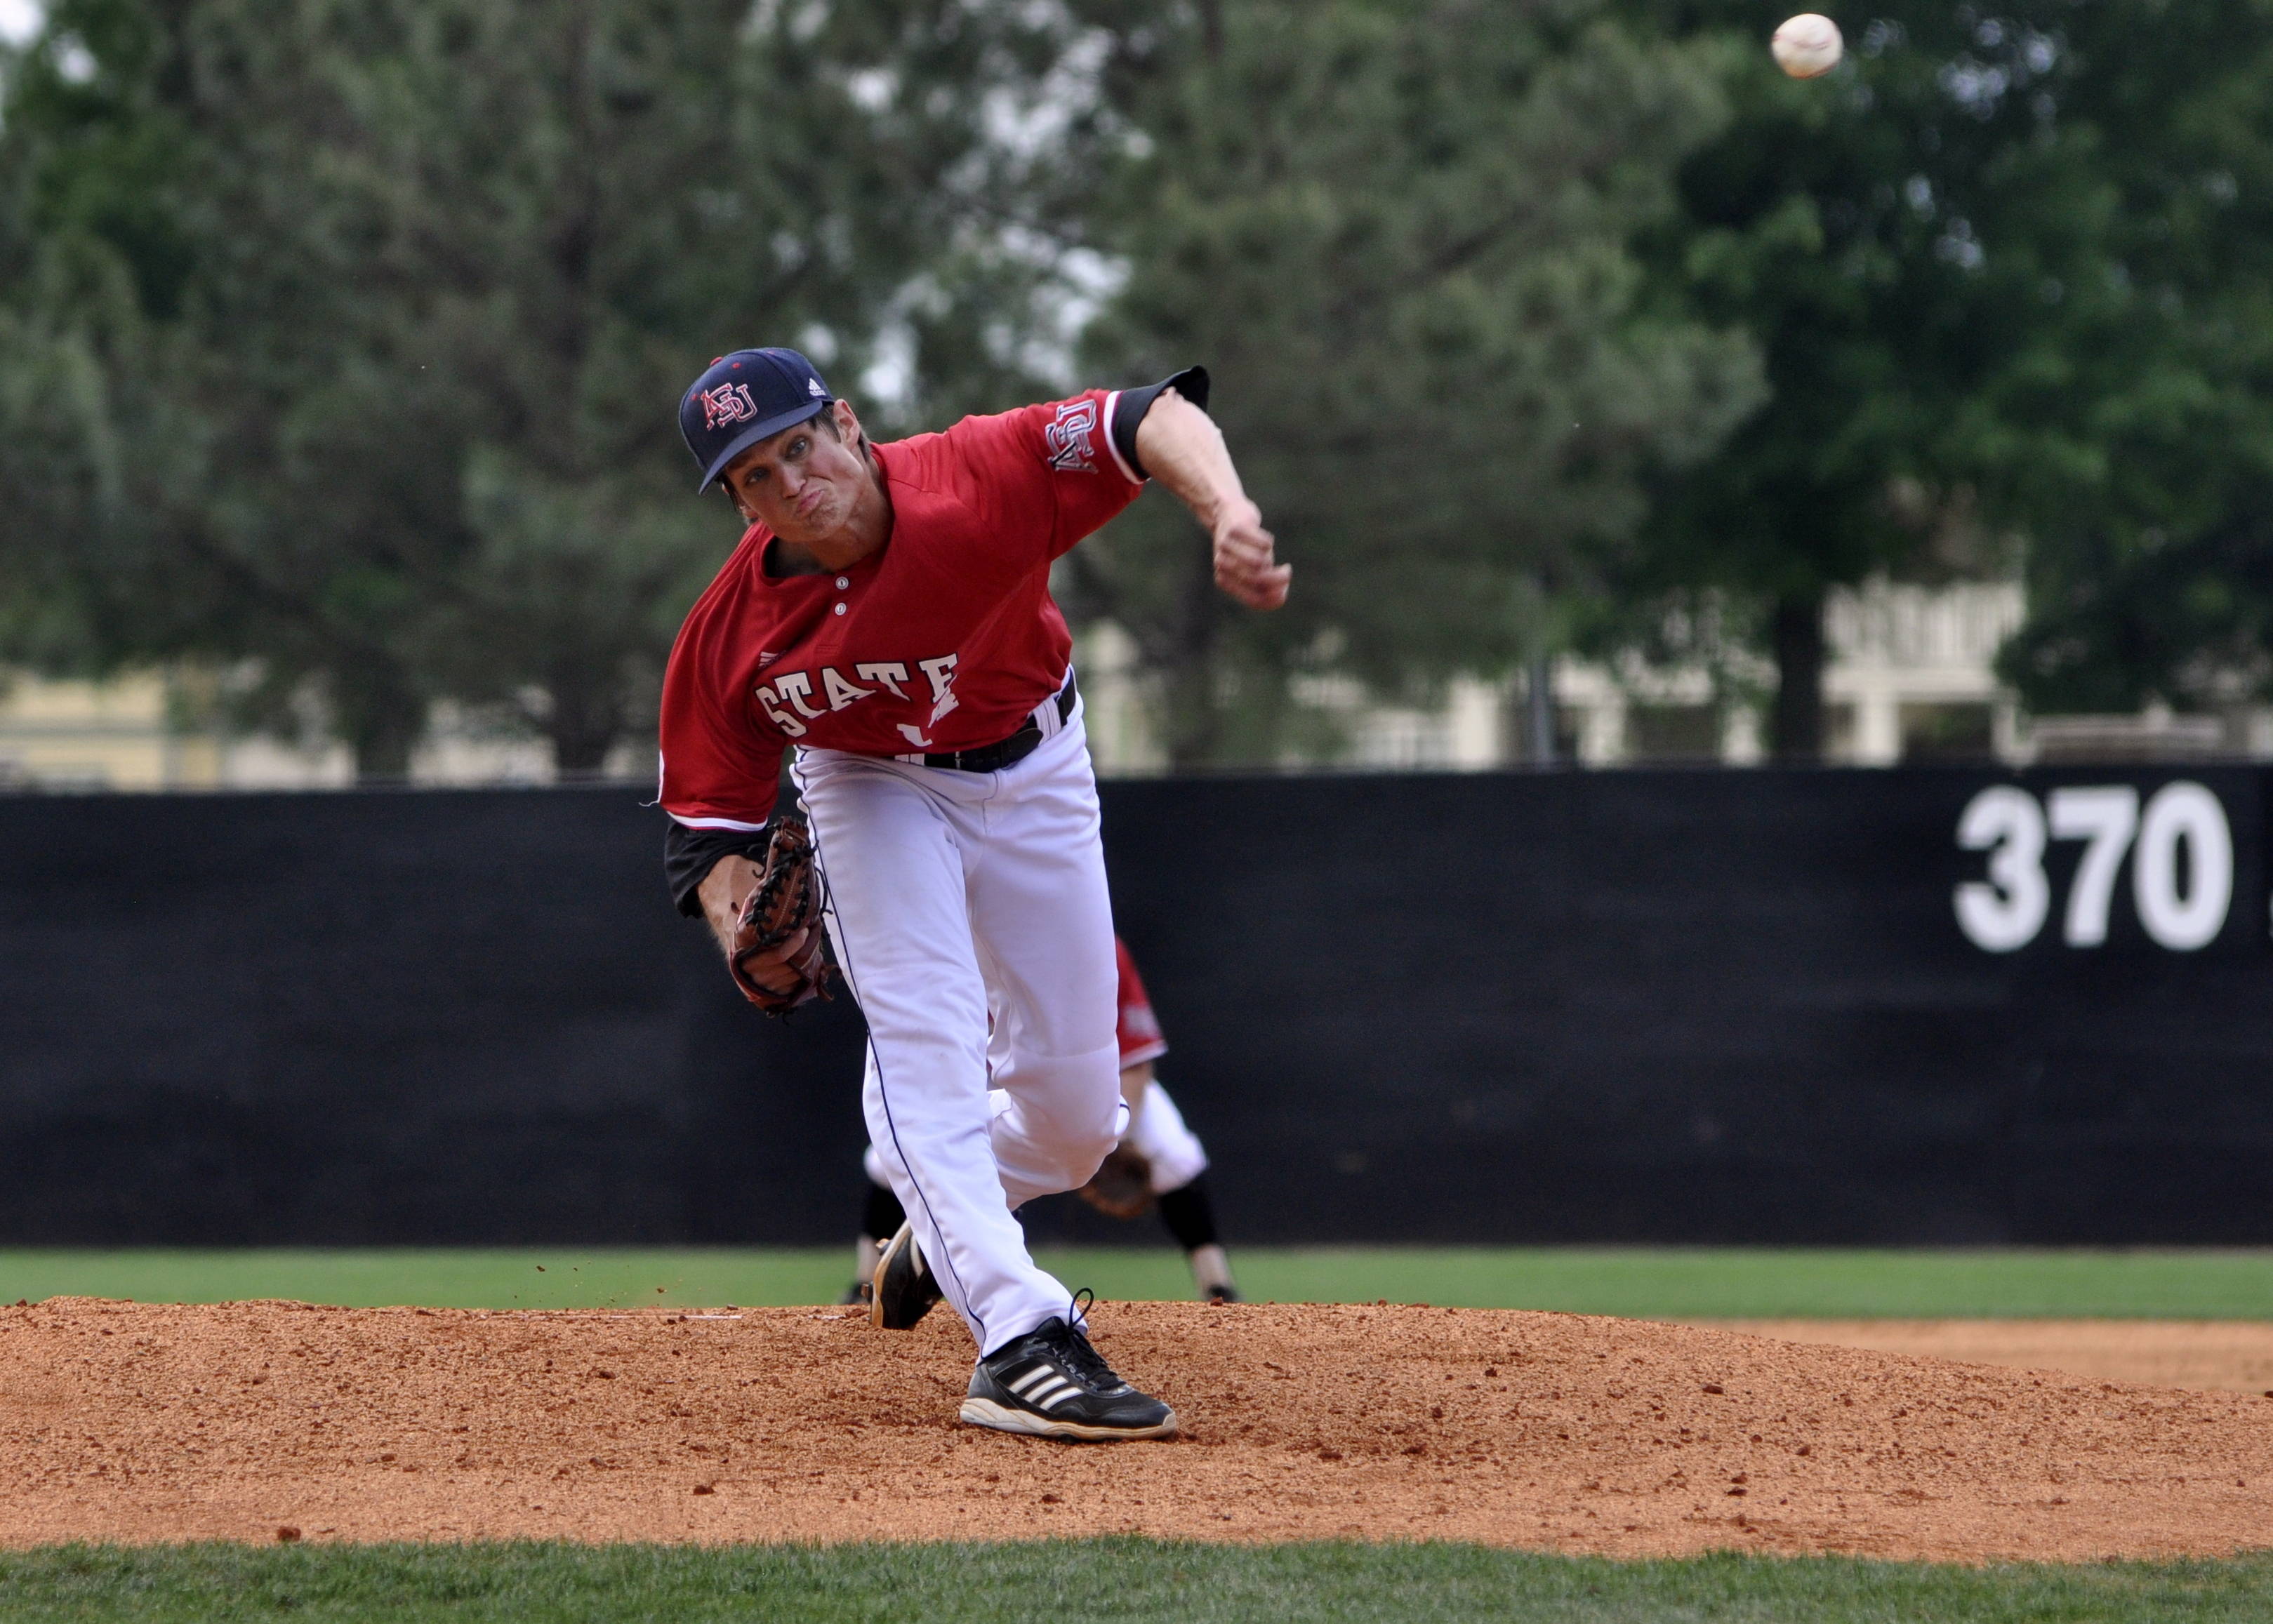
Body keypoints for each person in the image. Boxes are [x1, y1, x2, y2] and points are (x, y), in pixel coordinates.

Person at [658, 347, 1287, 1442]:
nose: (791, 482)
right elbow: (706, 823)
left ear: (847, 427)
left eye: (797, 445)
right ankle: (1018, 1333)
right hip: (867, 783)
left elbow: (1148, 416)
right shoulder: (734, 630)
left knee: (1079, 1123)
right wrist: (735, 915)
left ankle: (945, 1220)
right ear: (740, 504)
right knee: (927, 1030)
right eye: (755, 475)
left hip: (1039, 760)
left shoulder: (974, 474)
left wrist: (1227, 508)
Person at [843, 936, 1240, 1310]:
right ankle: (864, 1286)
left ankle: (1218, 1288)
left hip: (1087, 1081)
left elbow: (1135, 1065)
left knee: (1176, 1156)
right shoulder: (953, 948)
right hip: (984, 1077)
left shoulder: (1096, 943)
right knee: (890, 1157)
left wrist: (1116, 1136)